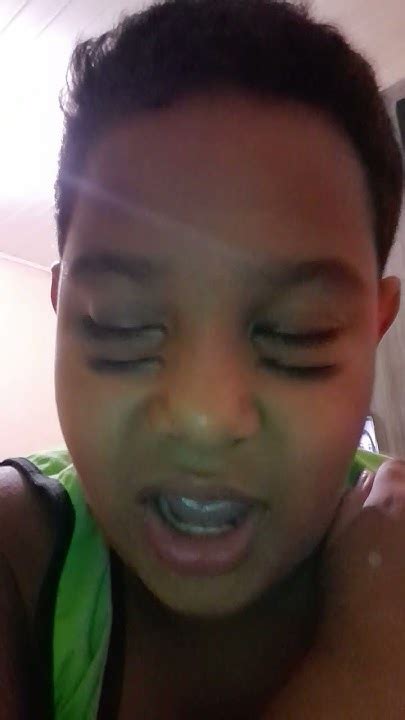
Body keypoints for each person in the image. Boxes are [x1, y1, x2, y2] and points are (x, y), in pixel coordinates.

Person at [0, 0, 404, 717]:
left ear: (375, 326)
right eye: (121, 322)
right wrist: (365, 666)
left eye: (298, 331)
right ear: (62, 310)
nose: (202, 416)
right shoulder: (16, 553)